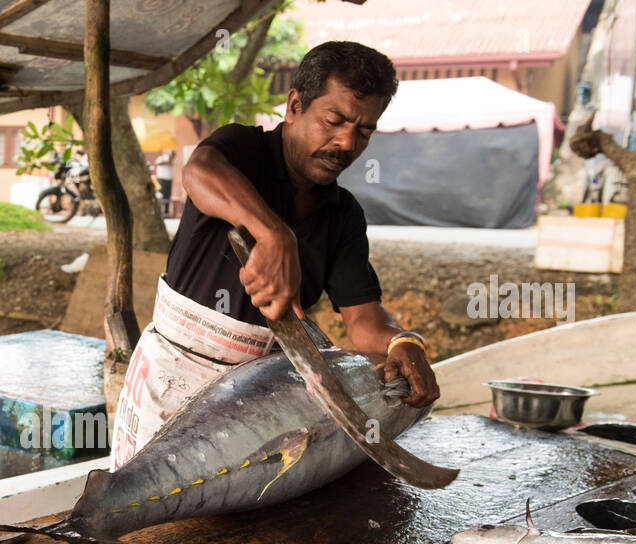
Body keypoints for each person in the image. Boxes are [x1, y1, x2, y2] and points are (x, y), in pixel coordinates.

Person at [111, 41, 440, 469]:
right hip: (172, 379)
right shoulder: (241, 151)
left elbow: (362, 318)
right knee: (152, 509)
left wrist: (402, 341)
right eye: (334, 120)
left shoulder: (342, 216)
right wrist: (274, 234)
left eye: (364, 131)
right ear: (295, 105)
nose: (346, 142)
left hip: (263, 396)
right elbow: (198, 172)